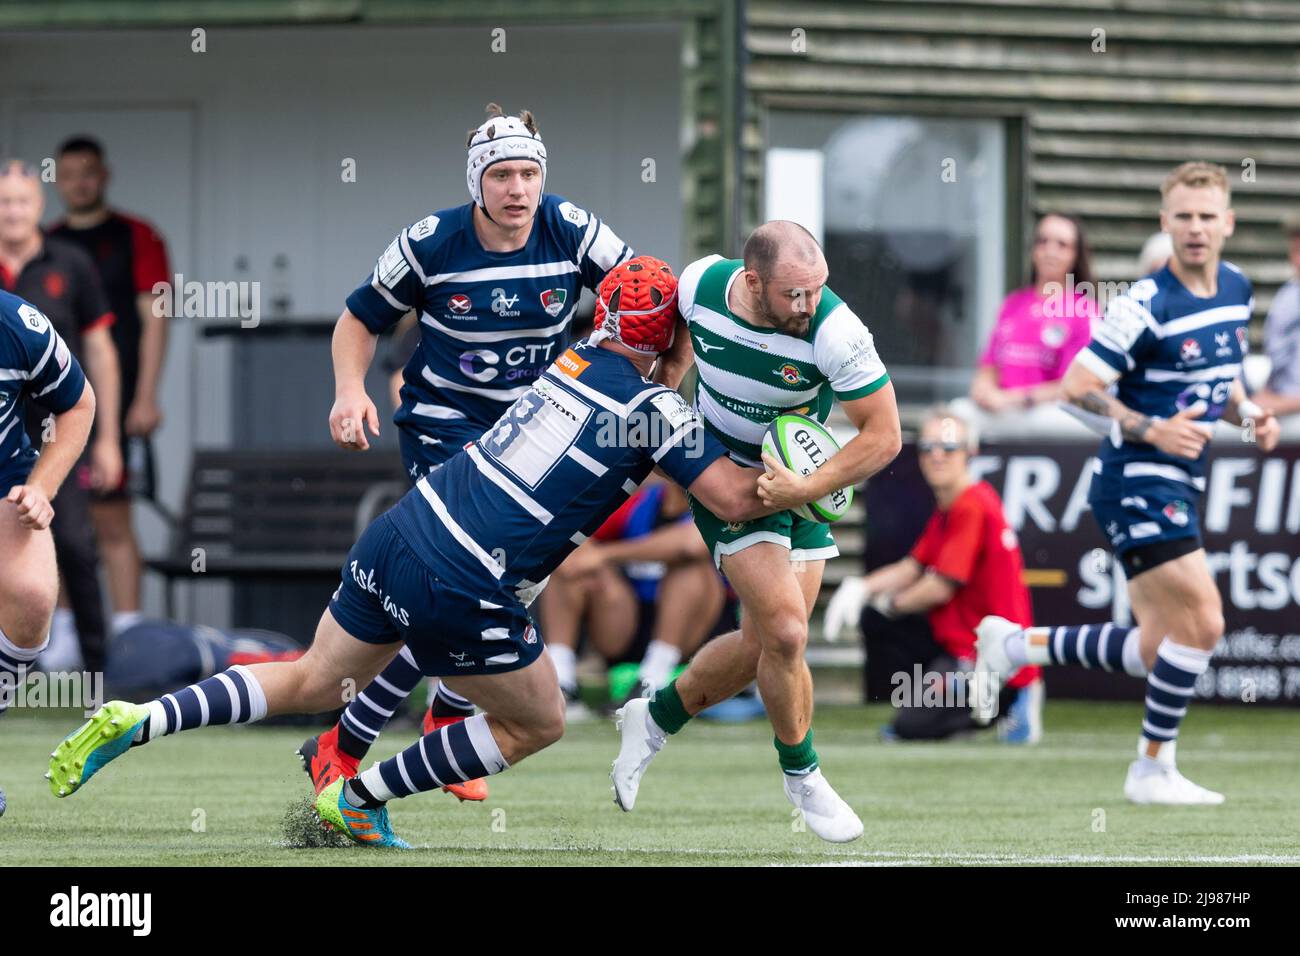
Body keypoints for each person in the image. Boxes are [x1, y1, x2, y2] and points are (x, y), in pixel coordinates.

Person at [48, 257, 790, 849]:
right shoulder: (656, 406)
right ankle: (358, 798)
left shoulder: (571, 359)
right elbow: (729, 497)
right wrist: (811, 481)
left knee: (310, 678)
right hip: (465, 574)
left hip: (402, 530)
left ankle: (141, 718)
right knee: (539, 723)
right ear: (673, 339)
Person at [306, 103, 634, 803]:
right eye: (502, 175)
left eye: (529, 173)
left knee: (507, 583)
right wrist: (347, 391)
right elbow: (360, 321)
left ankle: (437, 719)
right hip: (444, 427)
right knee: (459, 585)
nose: (518, 189)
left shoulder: (570, 228)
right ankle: (350, 739)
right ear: (476, 183)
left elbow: (640, 300)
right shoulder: (431, 242)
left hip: (533, 434)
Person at [974, 162, 1281, 805]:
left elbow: (1219, 388)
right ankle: (1151, 769)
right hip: (1137, 479)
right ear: (1164, 222)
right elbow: (1078, 388)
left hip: (1176, 479)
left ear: (1228, 223)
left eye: (1207, 216)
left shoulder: (1236, 288)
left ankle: (1016, 643)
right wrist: (1152, 428)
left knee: (1154, 646)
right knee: (1204, 622)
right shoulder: (1144, 301)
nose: (1195, 228)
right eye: (1183, 216)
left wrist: (1249, 416)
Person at [610, 221, 902, 843]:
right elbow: (677, 335)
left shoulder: (837, 331)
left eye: (817, 290)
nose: (809, 305)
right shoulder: (700, 285)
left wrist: (807, 487)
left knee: (760, 648)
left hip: (799, 477)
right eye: (794, 294)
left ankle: (653, 718)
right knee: (790, 633)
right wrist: (667, 395)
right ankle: (804, 777)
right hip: (724, 475)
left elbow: (885, 436)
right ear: (751, 282)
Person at [823, 406, 1042, 743]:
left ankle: (1004, 705)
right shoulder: (951, 507)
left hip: (989, 659)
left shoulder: (970, 505)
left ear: (970, 452)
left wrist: (886, 604)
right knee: (881, 624)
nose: (936, 456)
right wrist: (861, 588)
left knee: (910, 727)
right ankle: (959, 700)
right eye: (928, 448)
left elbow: (939, 587)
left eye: (948, 447)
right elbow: (912, 566)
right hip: (965, 645)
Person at [0, 160, 119, 675]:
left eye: (22, 200)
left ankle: (97, 676)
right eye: (4, 202)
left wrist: (110, 438)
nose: (13, 211)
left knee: (69, 548)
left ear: (39, 206)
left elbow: (96, 355)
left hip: (39, 444)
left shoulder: (66, 265)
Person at [49, 136, 172, 636]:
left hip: (113, 403)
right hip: (52, 403)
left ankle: (127, 632)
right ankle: (57, 639)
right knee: (49, 520)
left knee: (112, 520)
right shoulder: (46, 243)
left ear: (105, 175)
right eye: (70, 173)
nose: (80, 182)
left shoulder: (136, 235)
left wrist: (145, 395)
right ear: (57, 180)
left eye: (89, 172)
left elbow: (156, 318)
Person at [1, 288, 96, 810]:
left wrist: (41, 488)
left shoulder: (17, 322)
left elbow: (79, 403)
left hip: (4, 481)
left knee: (36, 596)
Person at [539, 477, 725, 714]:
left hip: (691, 637)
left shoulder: (724, 503)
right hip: (625, 627)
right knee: (572, 561)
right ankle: (560, 683)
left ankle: (652, 683)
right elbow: (574, 536)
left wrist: (606, 554)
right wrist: (588, 554)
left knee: (690, 568)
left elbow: (691, 544)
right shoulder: (640, 500)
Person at [970, 213, 1096, 413]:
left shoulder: (1085, 313)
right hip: (1000, 425)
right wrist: (983, 389)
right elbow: (989, 366)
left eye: (1062, 244)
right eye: (1042, 241)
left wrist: (1014, 399)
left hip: (1049, 429)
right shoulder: (1013, 304)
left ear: (1076, 255)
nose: (1050, 251)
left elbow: (1077, 383)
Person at [1251, 212, 1300, 417]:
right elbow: (1279, 361)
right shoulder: (1287, 295)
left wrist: (1276, 405)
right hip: (1282, 419)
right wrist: (1262, 397)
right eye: (1295, 250)